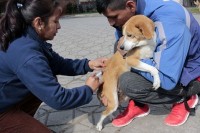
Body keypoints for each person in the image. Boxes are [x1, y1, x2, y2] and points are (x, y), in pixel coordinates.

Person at [0, 0, 107, 133]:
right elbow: (58, 99)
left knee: (48, 79)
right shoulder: (28, 55)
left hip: (6, 98)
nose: (59, 26)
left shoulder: (29, 37)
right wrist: (88, 89)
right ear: (39, 23)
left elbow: (59, 64)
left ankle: (21, 120)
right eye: (55, 21)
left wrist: (88, 64)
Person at [96, 0, 200, 127]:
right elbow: (121, 49)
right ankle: (139, 104)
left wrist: (129, 65)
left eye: (113, 17)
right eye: (107, 18)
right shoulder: (131, 19)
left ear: (130, 6)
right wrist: (109, 78)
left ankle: (185, 97)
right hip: (161, 61)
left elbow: (167, 80)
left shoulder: (168, 21)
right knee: (121, 47)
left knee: (128, 83)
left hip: (189, 73)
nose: (110, 23)